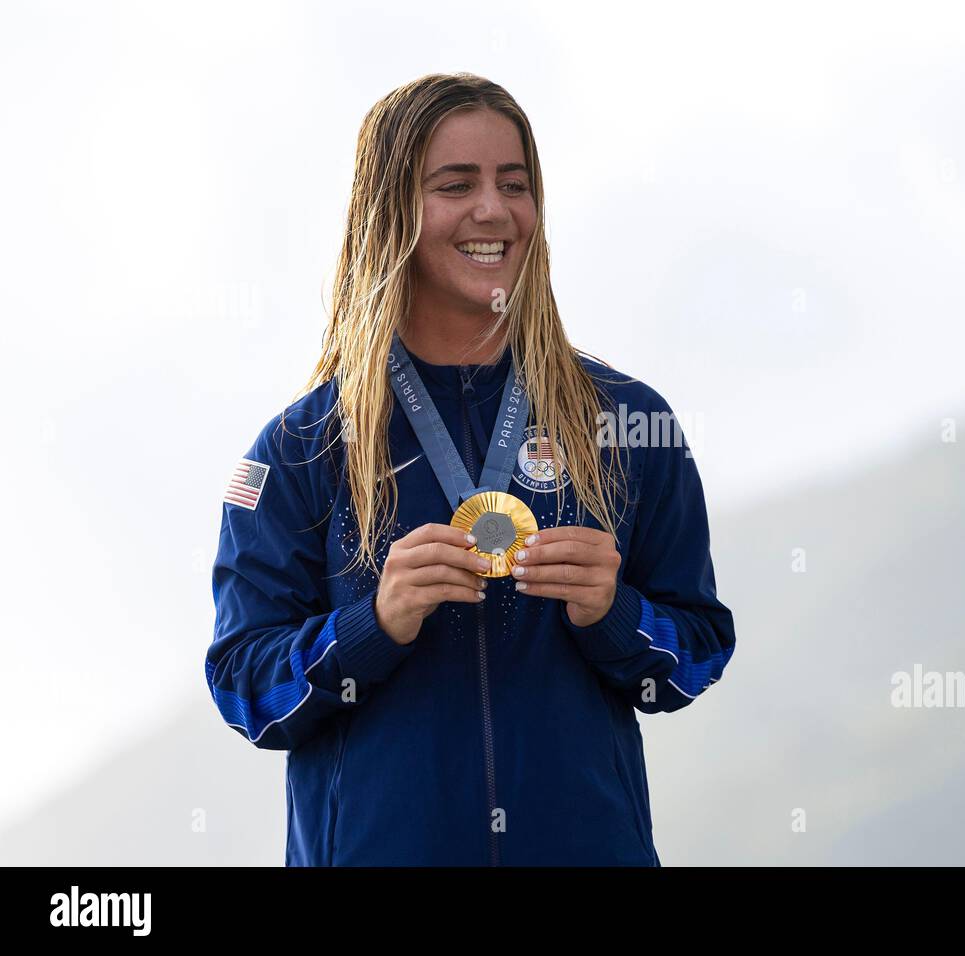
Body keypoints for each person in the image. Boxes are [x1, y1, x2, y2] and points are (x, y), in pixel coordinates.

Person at [204, 72, 736, 866]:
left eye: (514, 185)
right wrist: (372, 627)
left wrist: (616, 617)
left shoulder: (627, 425)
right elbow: (245, 692)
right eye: (456, 185)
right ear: (390, 213)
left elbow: (694, 659)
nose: (493, 210)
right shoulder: (300, 449)